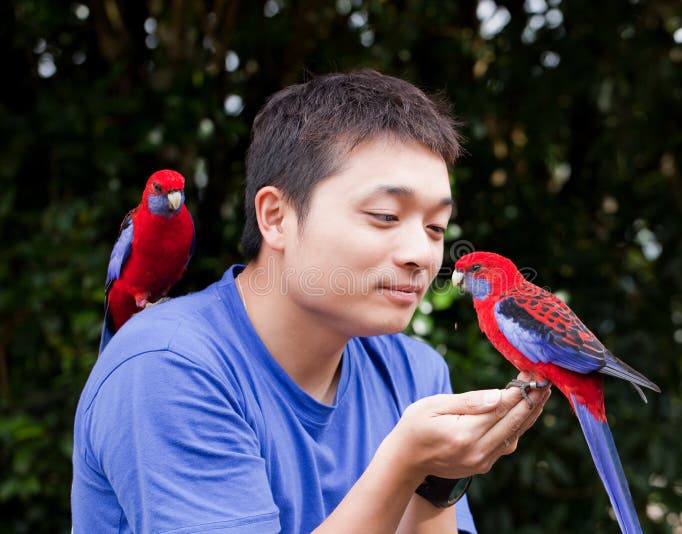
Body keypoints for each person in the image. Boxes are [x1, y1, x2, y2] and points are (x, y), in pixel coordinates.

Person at [72, 70, 550, 533]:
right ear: (276, 217)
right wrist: (407, 462)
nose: (421, 255)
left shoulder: (415, 372)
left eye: (436, 228)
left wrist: (439, 478)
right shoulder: (168, 368)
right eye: (385, 216)